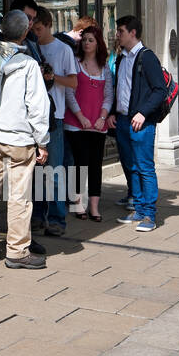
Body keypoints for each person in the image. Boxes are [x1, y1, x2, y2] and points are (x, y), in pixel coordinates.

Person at [0, 10, 51, 269]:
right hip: (18, 139)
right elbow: (38, 107)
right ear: (25, 32)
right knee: (19, 196)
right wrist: (42, 141)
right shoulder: (28, 64)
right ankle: (16, 251)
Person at [108, 15, 167, 233]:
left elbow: (160, 90)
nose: (117, 35)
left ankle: (150, 214)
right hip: (123, 120)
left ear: (133, 33)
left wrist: (143, 113)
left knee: (144, 167)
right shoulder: (122, 58)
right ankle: (139, 209)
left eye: (121, 31)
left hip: (140, 122)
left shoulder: (147, 57)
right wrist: (113, 112)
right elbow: (120, 89)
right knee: (131, 166)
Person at [29, 9, 77, 236]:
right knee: (38, 171)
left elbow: (73, 82)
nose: (36, 33)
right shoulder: (31, 47)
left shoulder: (63, 49)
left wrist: (52, 77)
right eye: (34, 29)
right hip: (33, 116)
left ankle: (57, 219)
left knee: (55, 170)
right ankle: (38, 216)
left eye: (39, 29)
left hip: (54, 116)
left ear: (48, 25)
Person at [65, 25, 113, 222]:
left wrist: (102, 117)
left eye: (90, 40)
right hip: (77, 124)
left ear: (98, 43)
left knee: (95, 165)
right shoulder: (75, 64)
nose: (86, 43)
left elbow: (108, 95)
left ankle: (94, 207)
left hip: (98, 124)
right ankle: (77, 204)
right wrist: (81, 117)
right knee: (80, 164)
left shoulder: (105, 67)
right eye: (84, 39)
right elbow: (69, 93)